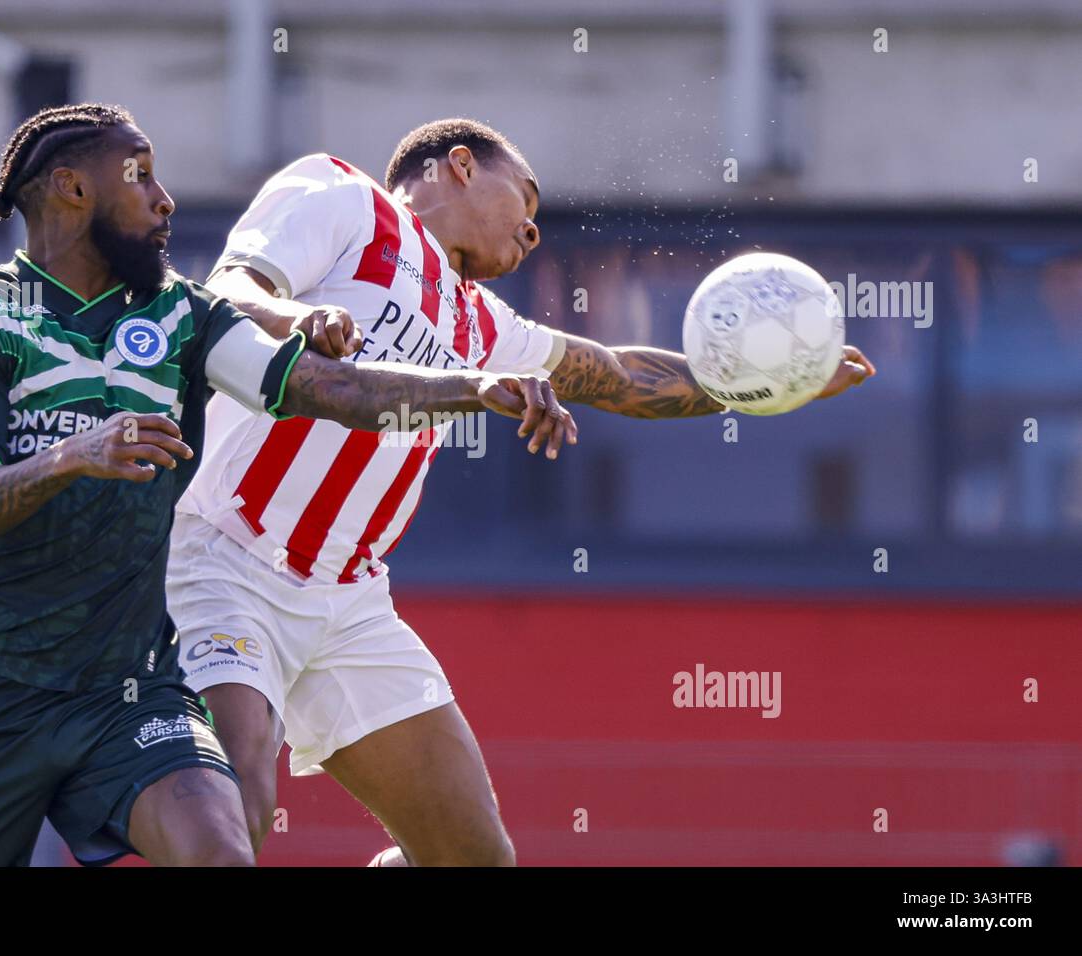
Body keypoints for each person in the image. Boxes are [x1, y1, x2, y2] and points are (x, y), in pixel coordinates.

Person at [0, 105, 575, 868]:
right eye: (140, 175)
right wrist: (71, 455)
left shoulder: (185, 313)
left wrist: (473, 389)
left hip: (123, 691)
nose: (165, 198)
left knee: (228, 842)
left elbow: (326, 390)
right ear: (72, 190)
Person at [167, 117, 876, 866]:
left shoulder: (483, 324)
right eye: (526, 201)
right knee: (238, 808)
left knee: (477, 859)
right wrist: (297, 318)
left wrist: (765, 384)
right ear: (462, 166)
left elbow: (620, 376)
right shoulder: (344, 198)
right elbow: (229, 290)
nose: (533, 232)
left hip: (347, 600)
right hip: (226, 557)